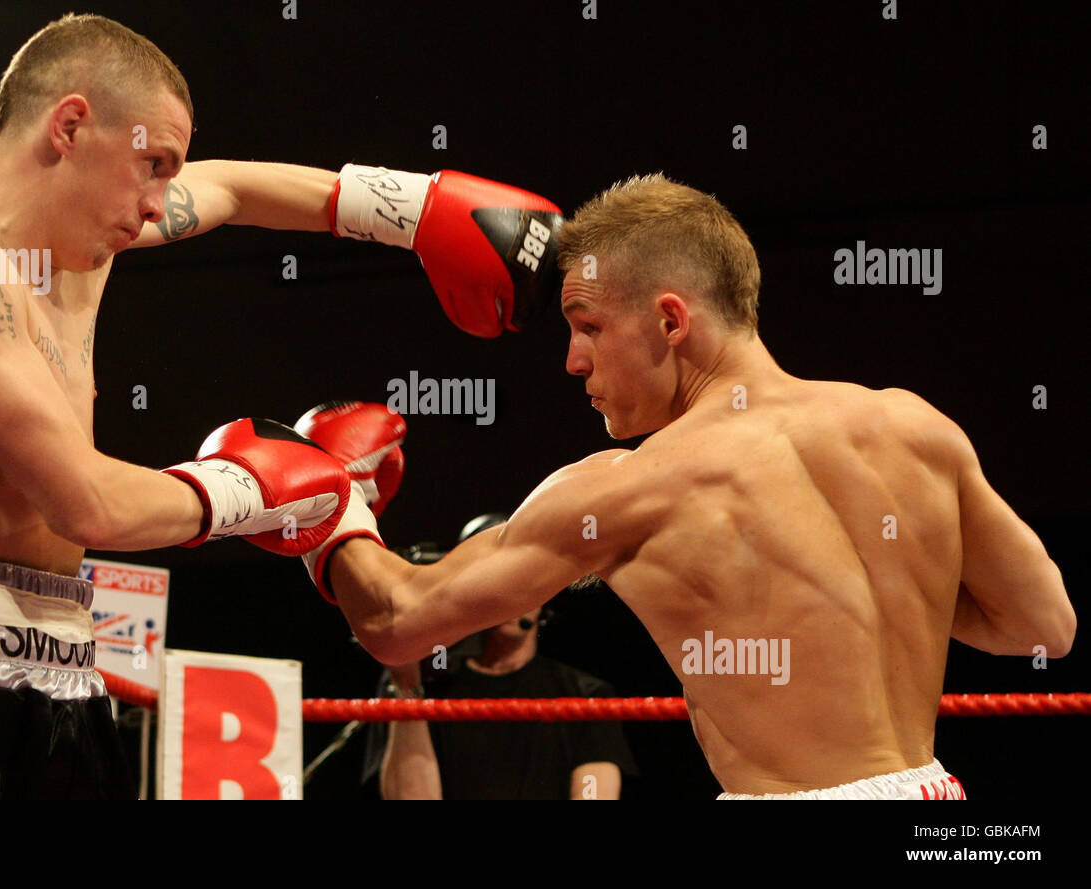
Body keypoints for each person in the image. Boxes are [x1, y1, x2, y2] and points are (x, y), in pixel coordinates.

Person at [0, 13, 561, 800]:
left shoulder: (83, 244)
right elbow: (86, 502)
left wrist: (418, 210)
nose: (162, 204)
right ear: (69, 126)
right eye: (153, 164)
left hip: (63, 673)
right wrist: (258, 487)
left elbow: (233, 188)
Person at [291, 173, 1077, 800]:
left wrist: (327, 500)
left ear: (671, 320)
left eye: (587, 324)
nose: (572, 359)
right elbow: (1043, 626)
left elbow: (397, 620)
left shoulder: (632, 489)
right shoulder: (917, 428)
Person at [365, 515, 637, 800]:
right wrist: (407, 685)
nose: (506, 594)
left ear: (544, 592)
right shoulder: (424, 685)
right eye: (490, 579)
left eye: (519, 578)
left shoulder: (585, 696)